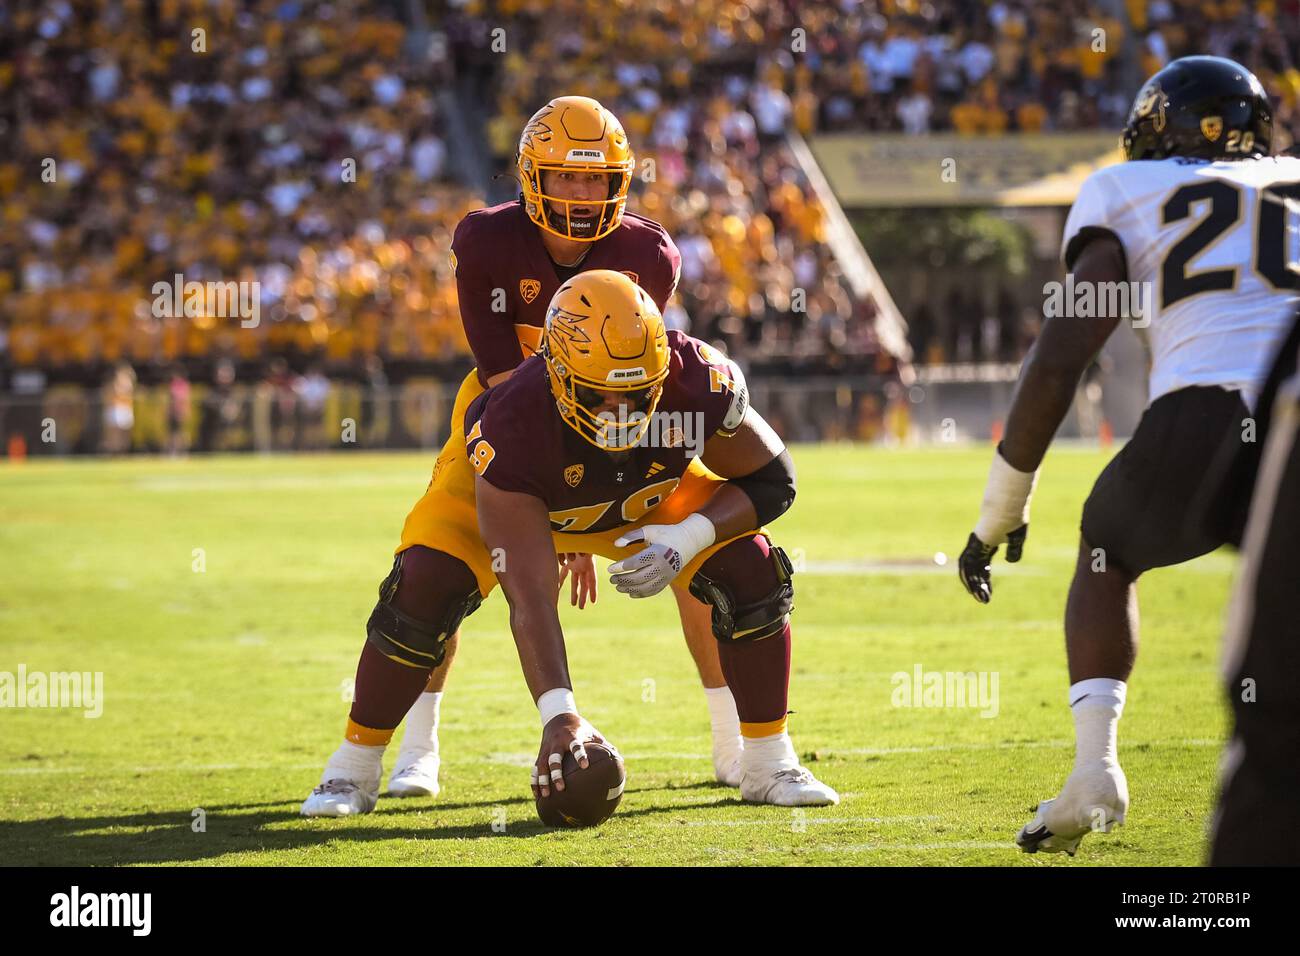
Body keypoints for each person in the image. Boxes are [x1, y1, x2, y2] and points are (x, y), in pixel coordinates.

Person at [303, 98, 743, 816]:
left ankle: (737, 742)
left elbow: (636, 377)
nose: (578, 195)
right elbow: (510, 388)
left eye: (593, 180)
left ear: (619, 184)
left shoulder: (648, 255)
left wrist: (591, 493)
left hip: (624, 430)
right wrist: (557, 520)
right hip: (507, 426)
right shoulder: (487, 244)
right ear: (531, 178)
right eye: (563, 180)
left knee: (714, 560)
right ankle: (403, 749)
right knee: (432, 577)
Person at [956, 56, 1300, 855]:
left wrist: (1001, 507)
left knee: (1108, 548)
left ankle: (1095, 769)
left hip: (1205, 411)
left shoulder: (1124, 189)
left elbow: (1063, 353)